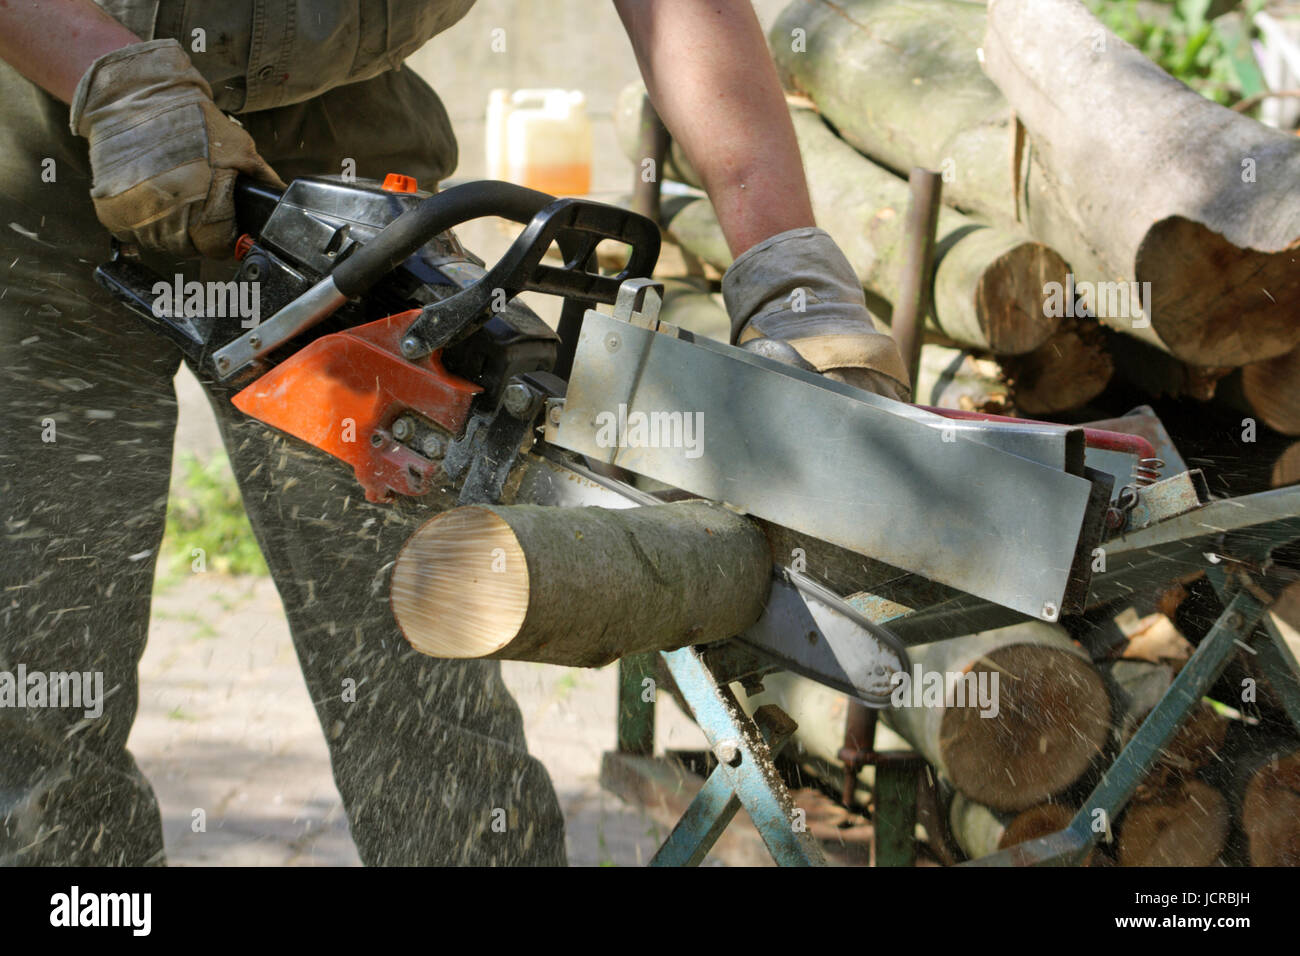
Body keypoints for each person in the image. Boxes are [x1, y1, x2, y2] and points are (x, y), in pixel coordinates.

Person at [0, 0, 909, 866]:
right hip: (41, 161)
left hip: (341, 177)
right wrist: (109, 77)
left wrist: (782, 258)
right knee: (38, 681)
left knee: (425, 657)